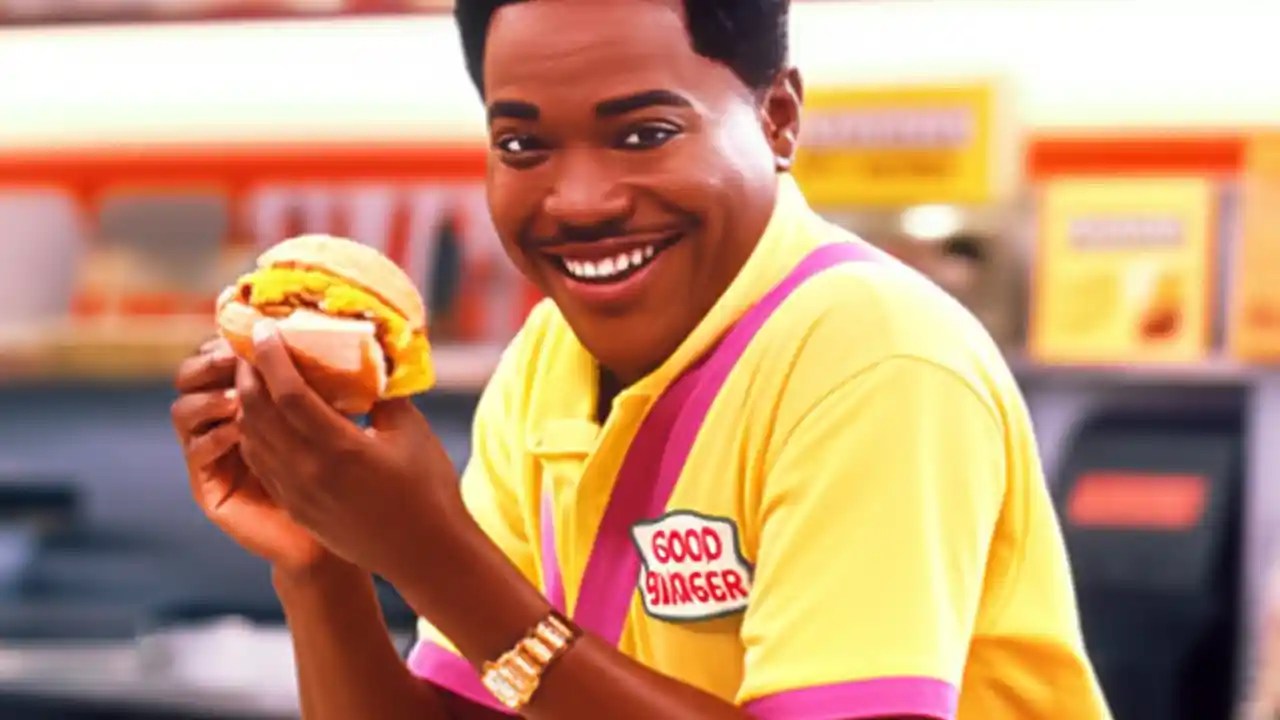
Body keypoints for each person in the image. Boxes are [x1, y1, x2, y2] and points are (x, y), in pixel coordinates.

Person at [170, 1, 1112, 718]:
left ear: (778, 118)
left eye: (645, 134)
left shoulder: (876, 357)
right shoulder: (549, 358)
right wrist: (322, 562)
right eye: (522, 144)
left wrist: (428, 554)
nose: (580, 200)